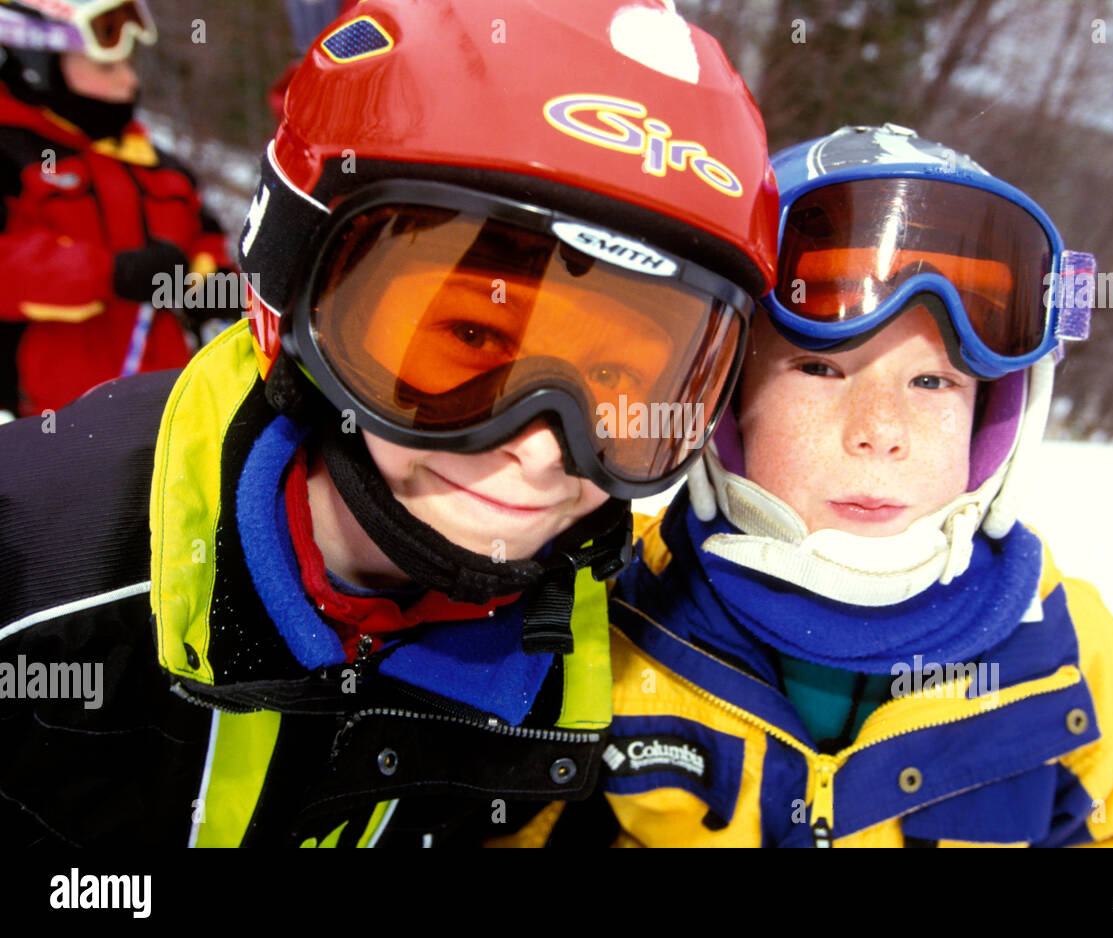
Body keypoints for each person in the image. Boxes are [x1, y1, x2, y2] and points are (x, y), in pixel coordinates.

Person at [0, 0, 776, 846]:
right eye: (470, 338)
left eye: (624, 385)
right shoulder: (40, 570)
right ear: (300, 286)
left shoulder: (570, 677)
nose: (544, 447)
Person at [590, 124, 1113, 846]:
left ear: (993, 421)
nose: (879, 432)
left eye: (932, 381)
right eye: (820, 369)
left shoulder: (1076, 665)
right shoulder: (615, 614)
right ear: (725, 396)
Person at [0, 0, 236, 420]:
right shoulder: (11, 155)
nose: (129, 82)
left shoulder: (154, 164)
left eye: (128, 65)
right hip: (40, 427)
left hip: (165, 413)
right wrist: (109, 273)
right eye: (106, 68)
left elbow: (206, 241)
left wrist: (210, 284)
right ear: (39, 64)